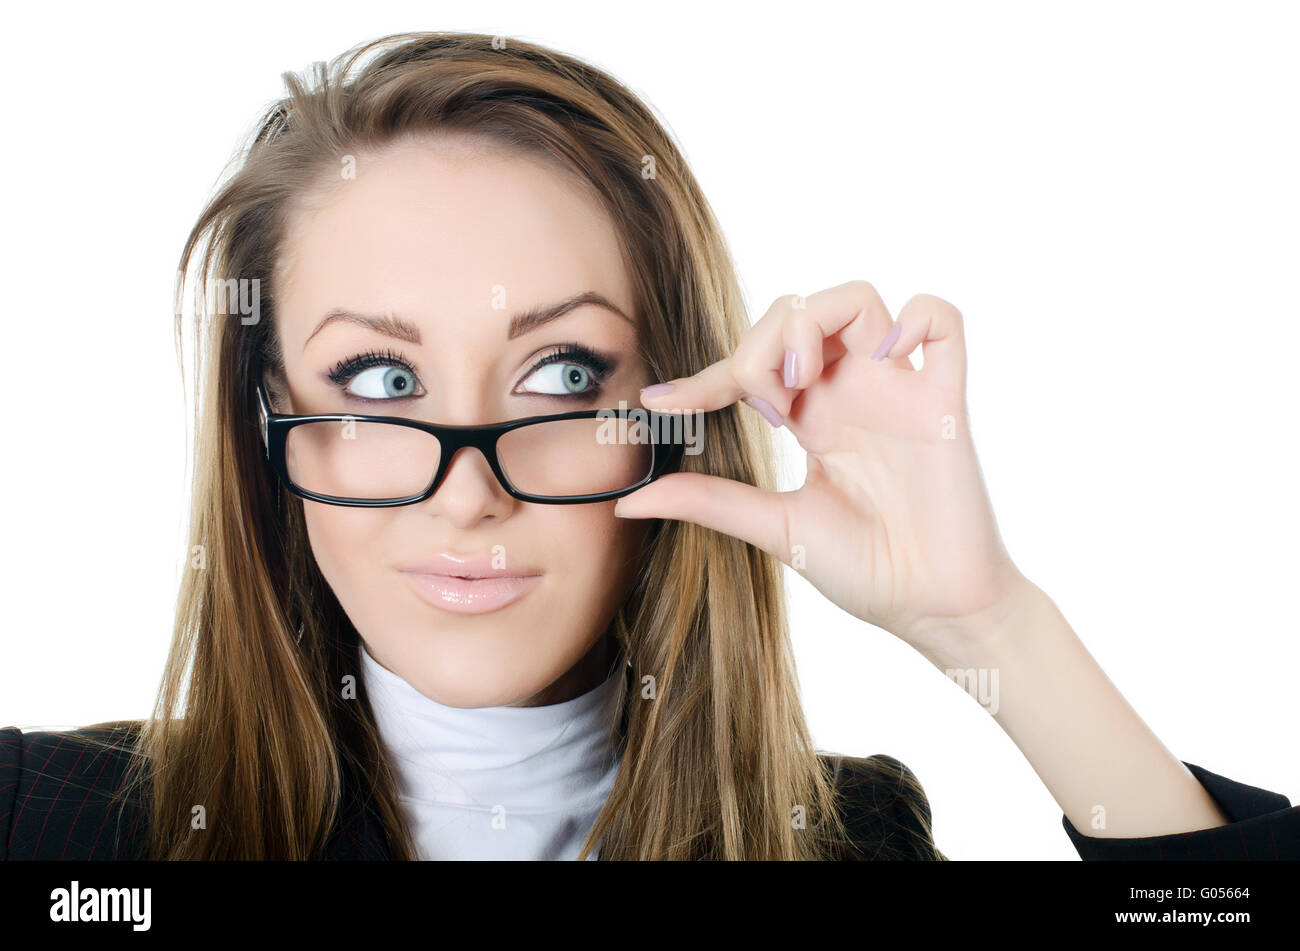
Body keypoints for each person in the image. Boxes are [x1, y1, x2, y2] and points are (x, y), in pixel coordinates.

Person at [2, 30, 1295, 862]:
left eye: (561, 376)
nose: (466, 496)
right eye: (380, 378)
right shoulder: (54, 830)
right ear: (273, 426)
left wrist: (989, 623)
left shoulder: (848, 844)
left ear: (676, 409)